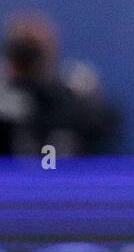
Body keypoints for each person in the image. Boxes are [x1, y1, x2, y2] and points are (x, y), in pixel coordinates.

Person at [0, 11, 119, 156]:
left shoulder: (71, 101)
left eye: (33, 52)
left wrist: (89, 100)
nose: (27, 60)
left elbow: (103, 130)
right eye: (20, 51)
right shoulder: (5, 100)